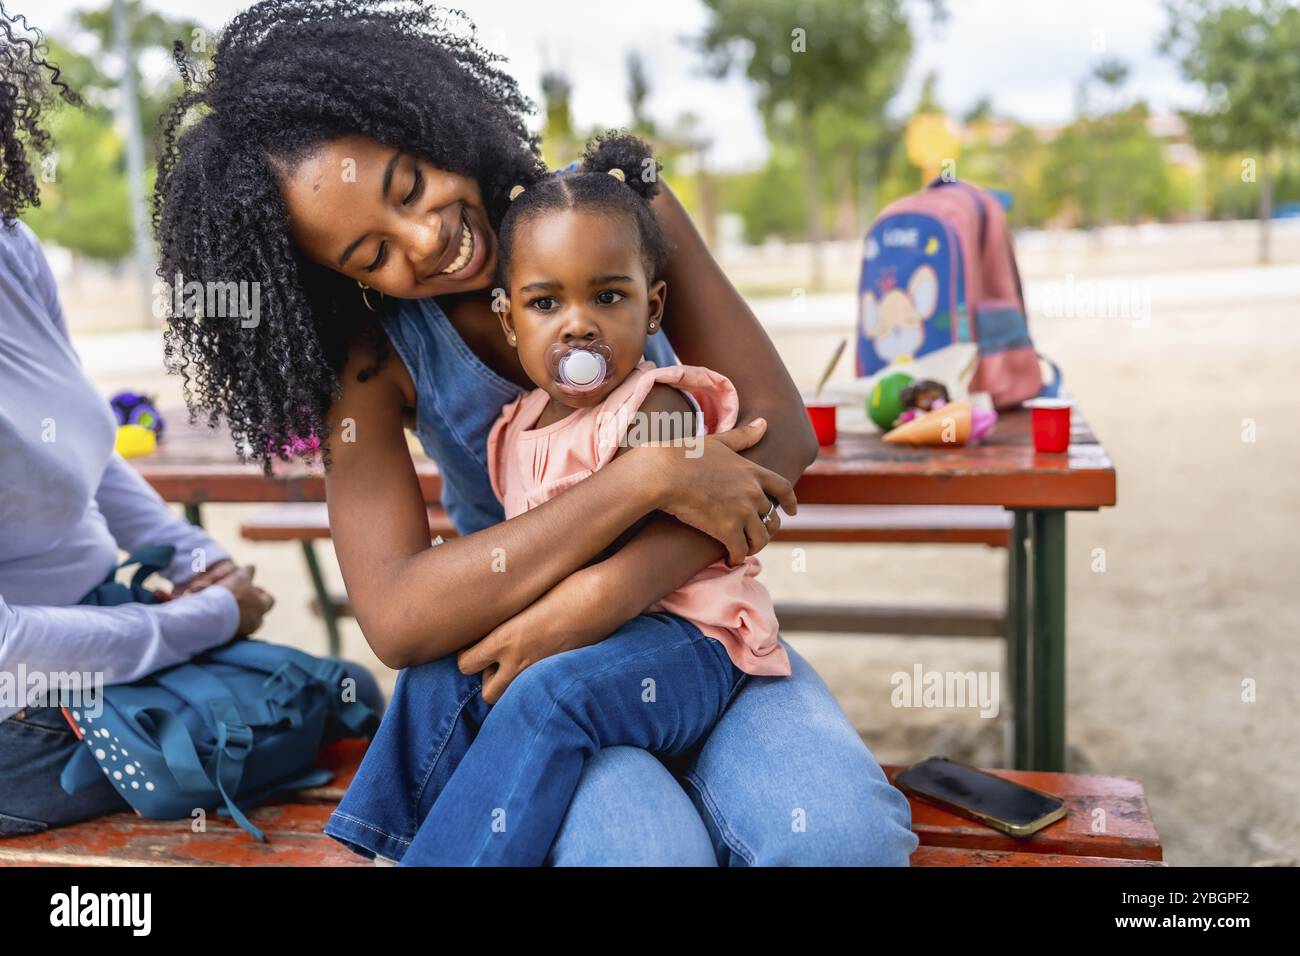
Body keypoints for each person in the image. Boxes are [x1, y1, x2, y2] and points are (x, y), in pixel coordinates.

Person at [153, 0, 917, 865]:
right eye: (371, 257)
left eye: (410, 186)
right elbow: (399, 616)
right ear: (336, 282)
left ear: (425, 114)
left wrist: (600, 597)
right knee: (646, 855)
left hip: (708, 640)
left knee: (844, 838)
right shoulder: (375, 361)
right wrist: (638, 481)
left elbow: (777, 439)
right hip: (535, 674)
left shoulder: (617, 215)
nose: (426, 237)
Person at [333, 134, 797, 865]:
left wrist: (634, 509)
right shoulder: (513, 426)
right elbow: (405, 613)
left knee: (550, 697)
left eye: (607, 297)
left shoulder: (656, 402)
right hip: (585, 639)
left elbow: (737, 464)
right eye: (548, 302)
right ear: (512, 320)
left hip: (684, 638)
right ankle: (376, 845)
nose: (578, 323)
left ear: (653, 309)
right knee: (437, 678)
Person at [0, 4, 381, 837]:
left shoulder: (12, 253)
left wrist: (202, 562)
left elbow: (91, 456)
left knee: (348, 699)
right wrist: (200, 619)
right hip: (19, 713)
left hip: (109, 633)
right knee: (308, 731)